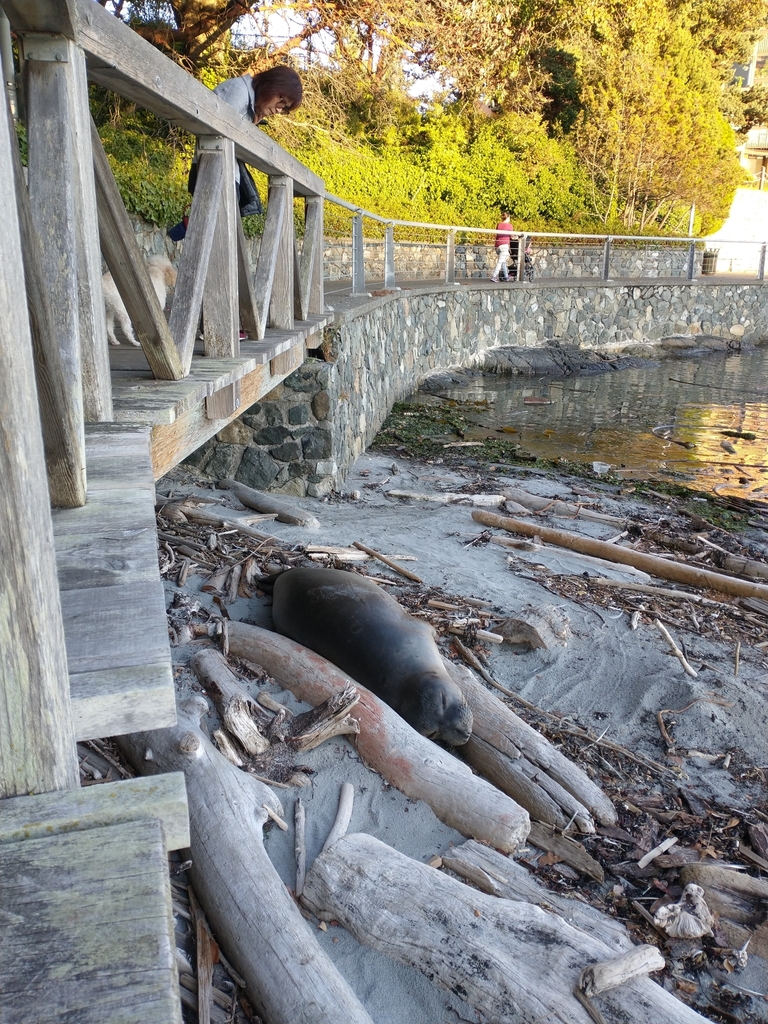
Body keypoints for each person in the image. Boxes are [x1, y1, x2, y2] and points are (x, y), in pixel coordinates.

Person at [175, 65, 303, 231]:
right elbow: (215, 134)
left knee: (220, 244)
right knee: (215, 242)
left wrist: (251, 127)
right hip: (214, 173)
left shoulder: (250, 105)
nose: (279, 109)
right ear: (271, 84)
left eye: (284, 107)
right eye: (281, 100)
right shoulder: (239, 91)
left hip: (223, 175)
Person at [491, 210, 513, 282]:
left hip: (498, 246)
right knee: (500, 262)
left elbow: (497, 235)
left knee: (503, 261)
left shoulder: (499, 225)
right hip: (504, 246)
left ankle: (506, 277)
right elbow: (512, 236)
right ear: (508, 217)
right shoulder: (509, 226)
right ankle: (494, 276)